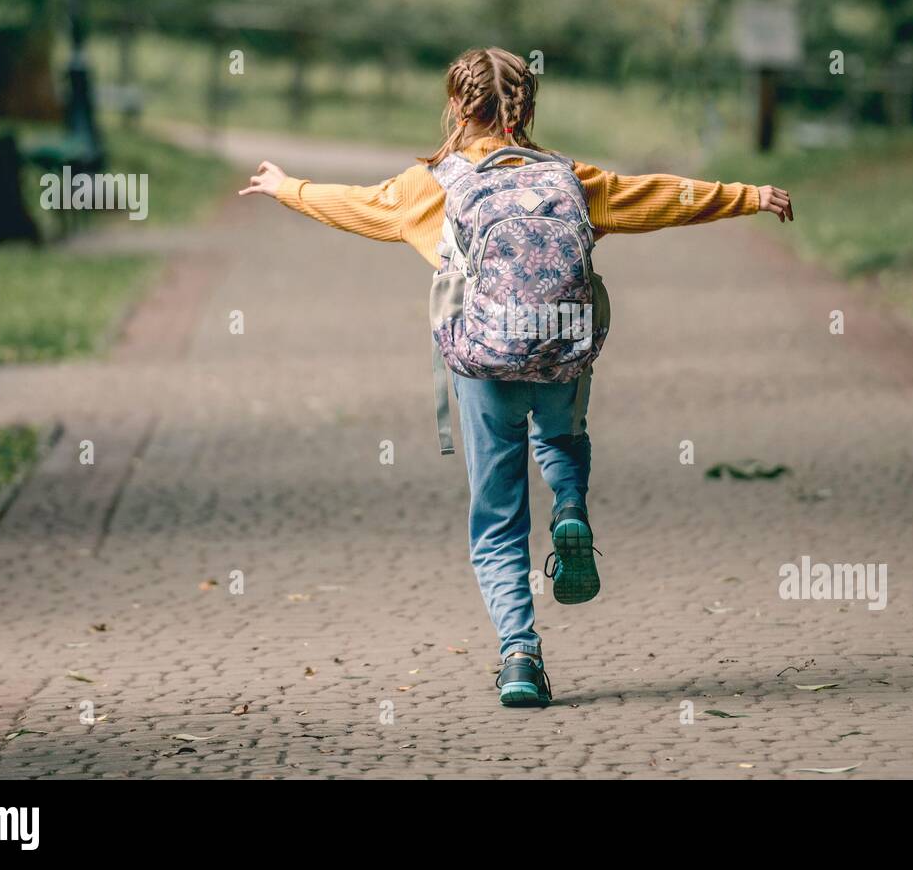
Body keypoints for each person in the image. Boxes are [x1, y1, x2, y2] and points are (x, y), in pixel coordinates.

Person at [239, 46, 793, 706]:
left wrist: (285, 187)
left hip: (484, 362)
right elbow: (659, 197)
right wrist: (748, 196)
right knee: (560, 441)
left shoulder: (431, 186)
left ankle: (521, 658)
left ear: (455, 106)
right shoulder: (568, 176)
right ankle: (568, 507)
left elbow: (358, 204)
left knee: (498, 518)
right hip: (562, 350)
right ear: (527, 107)